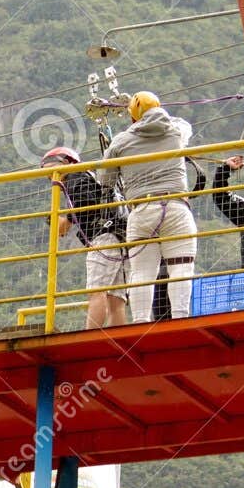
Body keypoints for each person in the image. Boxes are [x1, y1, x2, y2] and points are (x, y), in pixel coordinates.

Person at [94, 91, 197, 323]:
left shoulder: (121, 141)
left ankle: (141, 321)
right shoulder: (176, 130)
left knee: (141, 273)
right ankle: (181, 318)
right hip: (176, 206)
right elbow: (185, 127)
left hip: (141, 210)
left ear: (132, 118)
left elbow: (105, 180)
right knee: (181, 267)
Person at [43, 146, 128, 329]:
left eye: (50, 169)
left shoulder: (75, 177)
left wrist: (65, 220)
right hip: (118, 236)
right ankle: (118, 338)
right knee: (116, 297)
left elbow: (84, 205)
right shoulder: (90, 177)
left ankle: (91, 335)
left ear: (66, 162)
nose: (51, 176)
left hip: (103, 237)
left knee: (96, 290)